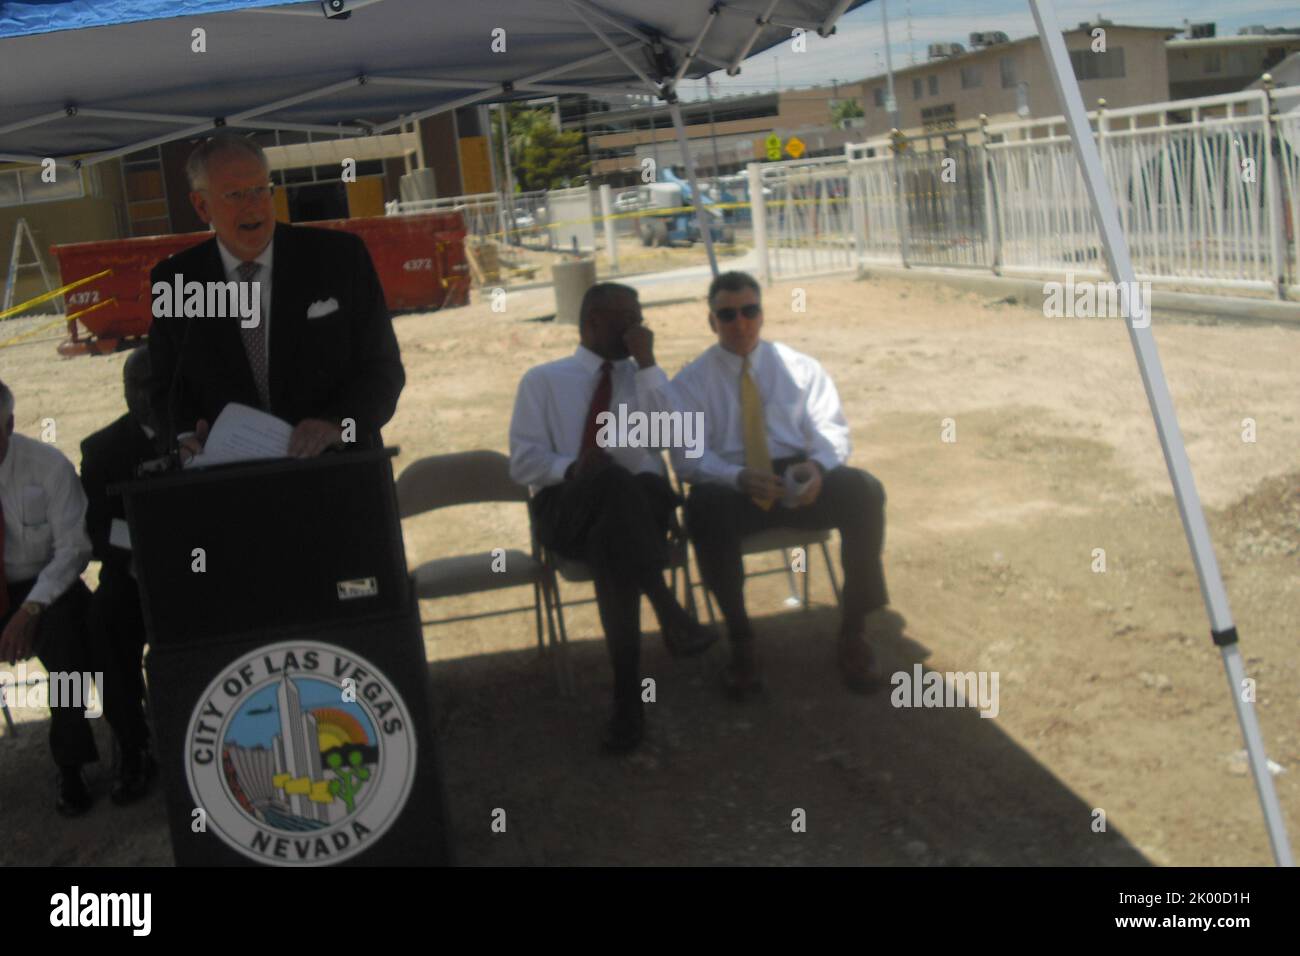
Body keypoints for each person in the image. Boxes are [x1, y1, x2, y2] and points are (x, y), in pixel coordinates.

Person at [509, 283, 717, 753]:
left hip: (633, 513)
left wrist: (647, 365)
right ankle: (668, 610)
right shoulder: (543, 380)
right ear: (590, 324)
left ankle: (628, 705)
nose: (633, 326)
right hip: (568, 507)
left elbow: (675, 438)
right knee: (613, 484)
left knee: (619, 521)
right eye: (621, 317)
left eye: (637, 315)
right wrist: (568, 468)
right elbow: (522, 463)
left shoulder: (644, 379)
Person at [668, 271, 891, 698]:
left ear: (762, 314)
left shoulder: (800, 367)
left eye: (750, 311)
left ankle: (854, 628)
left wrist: (818, 469)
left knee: (865, 490)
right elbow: (688, 459)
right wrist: (736, 476)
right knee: (702, 510)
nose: (740, 323)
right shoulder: (691, 383)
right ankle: (741, 639)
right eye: (727, 314)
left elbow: (834, 432)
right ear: (711, 322)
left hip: (796, 479)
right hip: (733, 484)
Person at [148, 134, 405, 460]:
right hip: (232, 489)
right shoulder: (177, 281)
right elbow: (162, 389)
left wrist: (339, 425)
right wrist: (182, 439)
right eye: (235, 195)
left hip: (339, 476)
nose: (252, 205)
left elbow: (383, 369)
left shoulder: (340, 258)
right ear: (202, 206)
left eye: (260, 190)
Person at [0, 380, 98, 815]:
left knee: (67, 648)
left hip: (45, 582)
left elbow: (74, 549)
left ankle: (71, 764)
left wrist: (30, 609)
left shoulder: (47, 466)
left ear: (9, 424)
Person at [80, 348, 160, 804]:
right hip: (130, 575)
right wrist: (134, 553)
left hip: (199, 569)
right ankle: (134, 745)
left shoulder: (205, 433)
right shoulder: (103, 450)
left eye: (153, 387)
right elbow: (93, 526)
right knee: (103, 623)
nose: (144, 396)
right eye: (135, 387)